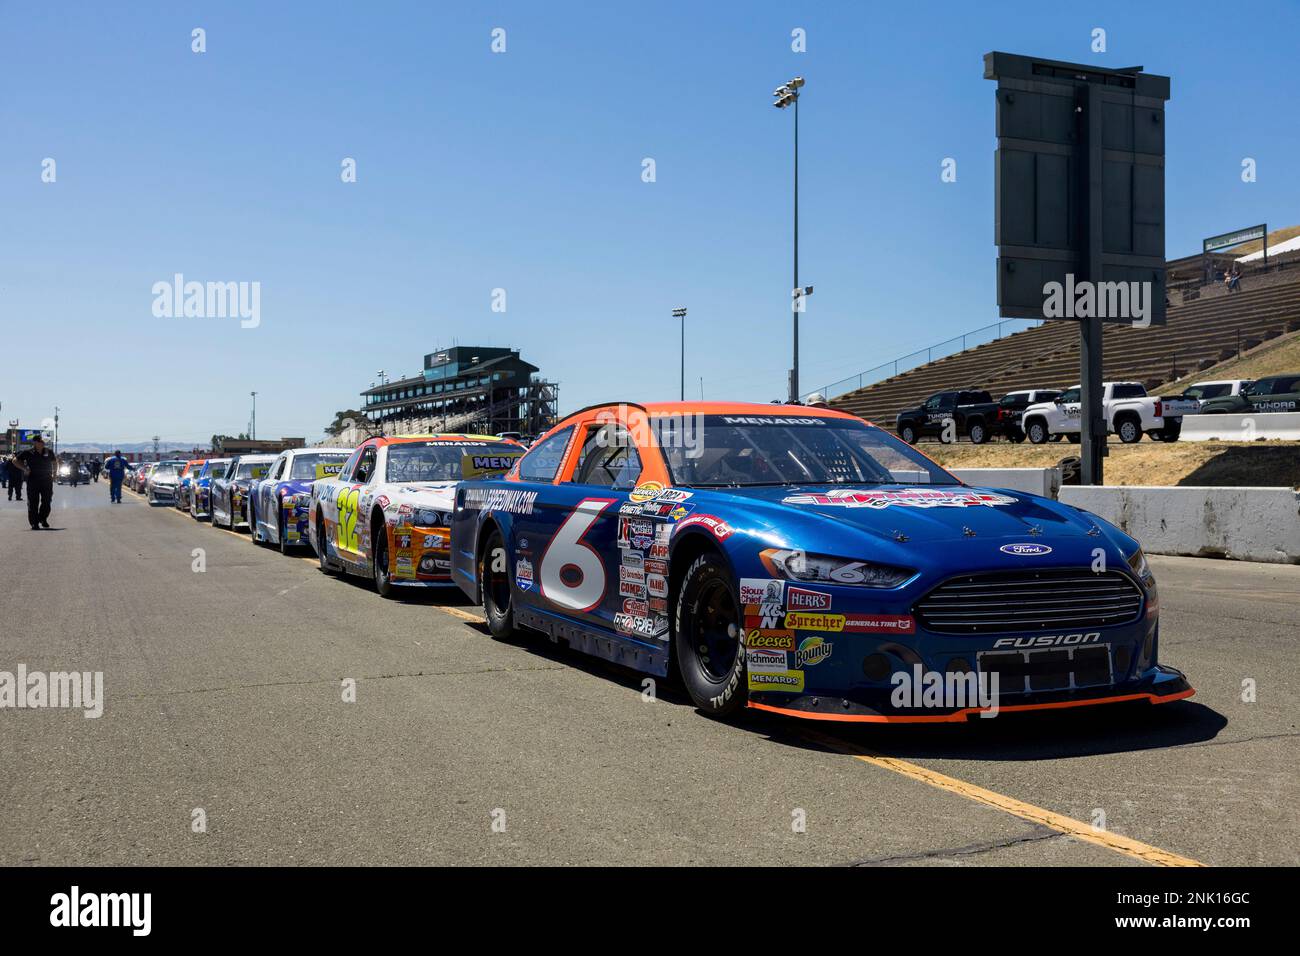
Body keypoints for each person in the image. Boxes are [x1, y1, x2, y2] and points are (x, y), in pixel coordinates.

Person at [15, 435, 57, 529]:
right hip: (33, 480)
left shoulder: (48, 452)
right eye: (41, 442)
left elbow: (55, 462)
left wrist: (55, 473)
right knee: (33, 502)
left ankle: (42, 518)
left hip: (46, 480)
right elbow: (15, 460)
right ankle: (34, 523)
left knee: (47, 501)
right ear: (35, 443)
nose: (43, 443)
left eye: (43, 441)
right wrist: (24, 468)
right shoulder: (28, 452)